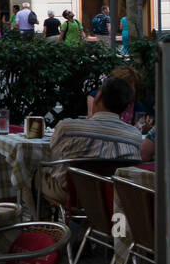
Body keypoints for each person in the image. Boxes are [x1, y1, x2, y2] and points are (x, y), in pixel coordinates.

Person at [43, 77, 144, 207]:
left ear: (99, 96)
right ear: (126, 106)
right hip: (111, 197)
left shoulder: (67, 127)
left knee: (32, 174)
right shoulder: (135, 136)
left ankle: (42, 223)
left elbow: (53, 156)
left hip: (71, 194)